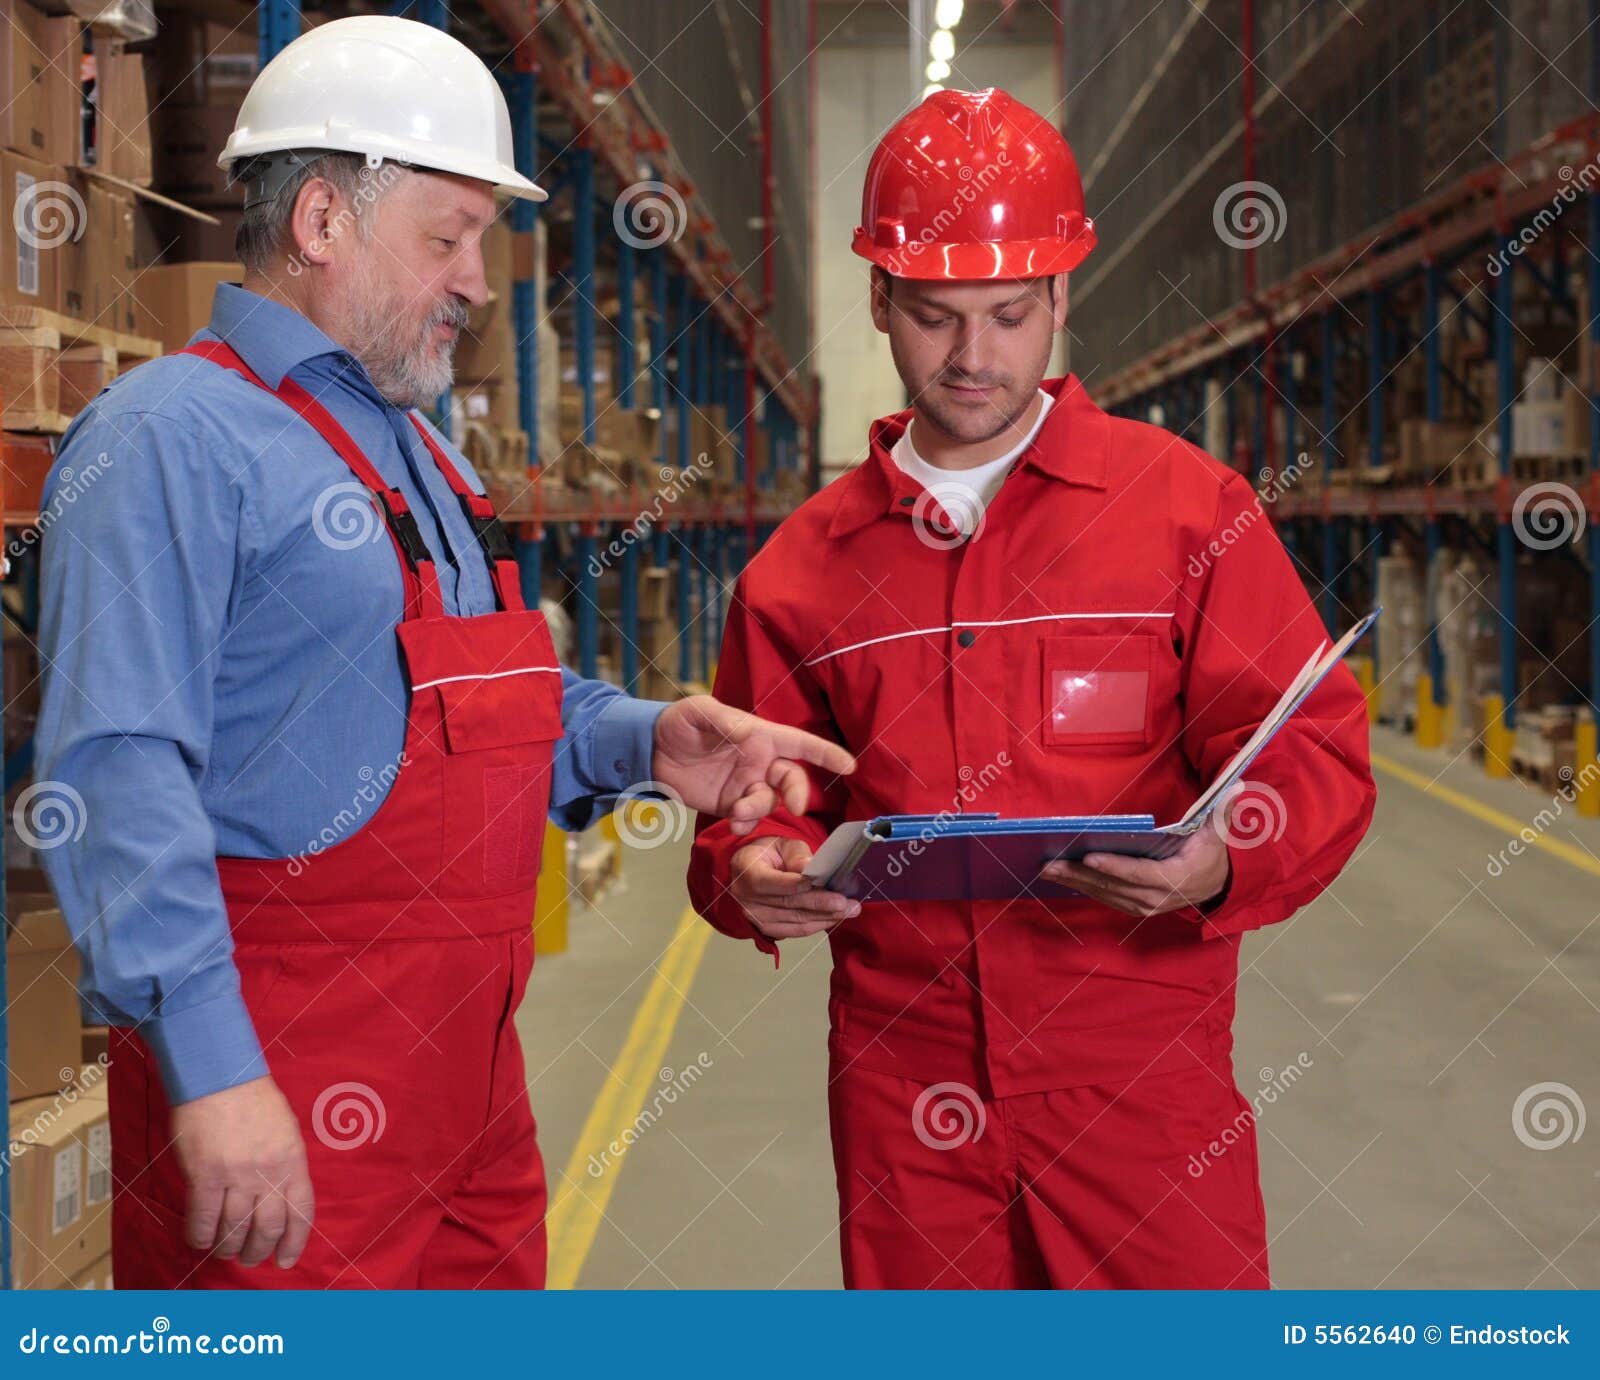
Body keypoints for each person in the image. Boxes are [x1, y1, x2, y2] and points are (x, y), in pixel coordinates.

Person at [34, 16, 852, 1290]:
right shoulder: (172, 439)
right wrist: (217, 1070)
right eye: (447, 237)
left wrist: (644, 739)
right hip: (286, 1092)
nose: (477, 278)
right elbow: (116, 769)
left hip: (469, 1097)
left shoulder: (419, 455)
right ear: (319, 222)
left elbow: (471, 692)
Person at [687, 88, 1375, 1290]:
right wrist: (753, 872)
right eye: (935, 317)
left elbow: (1310, 753)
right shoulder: (801, 572)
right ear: (879, 301)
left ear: (1060, 296)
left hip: (1138, 1083)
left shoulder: (1183, 512)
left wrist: (1225, 862)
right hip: (910, 1099)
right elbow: (751, 801)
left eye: (1010, 316)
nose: (974, 358)